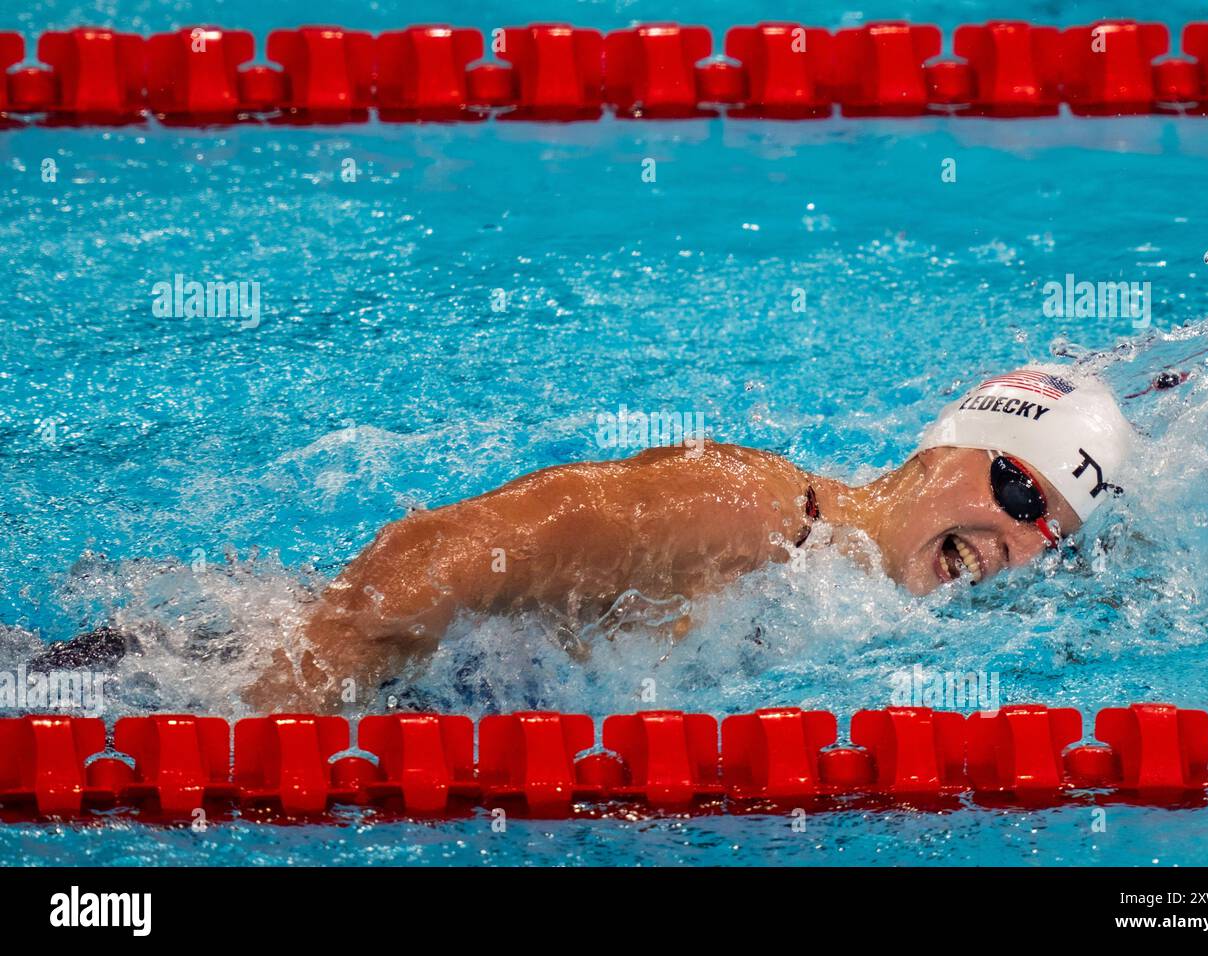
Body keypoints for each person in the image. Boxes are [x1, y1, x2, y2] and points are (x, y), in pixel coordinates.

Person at [30, 364, 1134, 711]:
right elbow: (431, 558)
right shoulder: (755, 511)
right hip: (181, 693)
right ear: (942, 449)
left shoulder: (855, 604)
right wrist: (279, 727)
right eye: (1016, 490)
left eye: (1055, 533)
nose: (1022, 540)